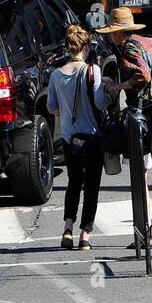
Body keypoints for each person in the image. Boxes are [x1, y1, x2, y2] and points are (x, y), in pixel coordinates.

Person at [97, 7, 152, 242]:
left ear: (117, 32)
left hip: (144, 117)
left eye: (111, 32)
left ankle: (147, 233)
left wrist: (117, 86)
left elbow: (141, 76)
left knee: (141, 174)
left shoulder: (130, 47)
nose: (109, 36)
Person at [47, 25, 108, 251]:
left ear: (68, 47)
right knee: (91, 186)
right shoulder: (93, 71)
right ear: (85, 47)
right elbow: (100, 104)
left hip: (69, 138)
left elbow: (51, 108)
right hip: (92, 136)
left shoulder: (55, 75)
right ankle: (85, 235)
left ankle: (67, 228)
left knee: (74, 183)